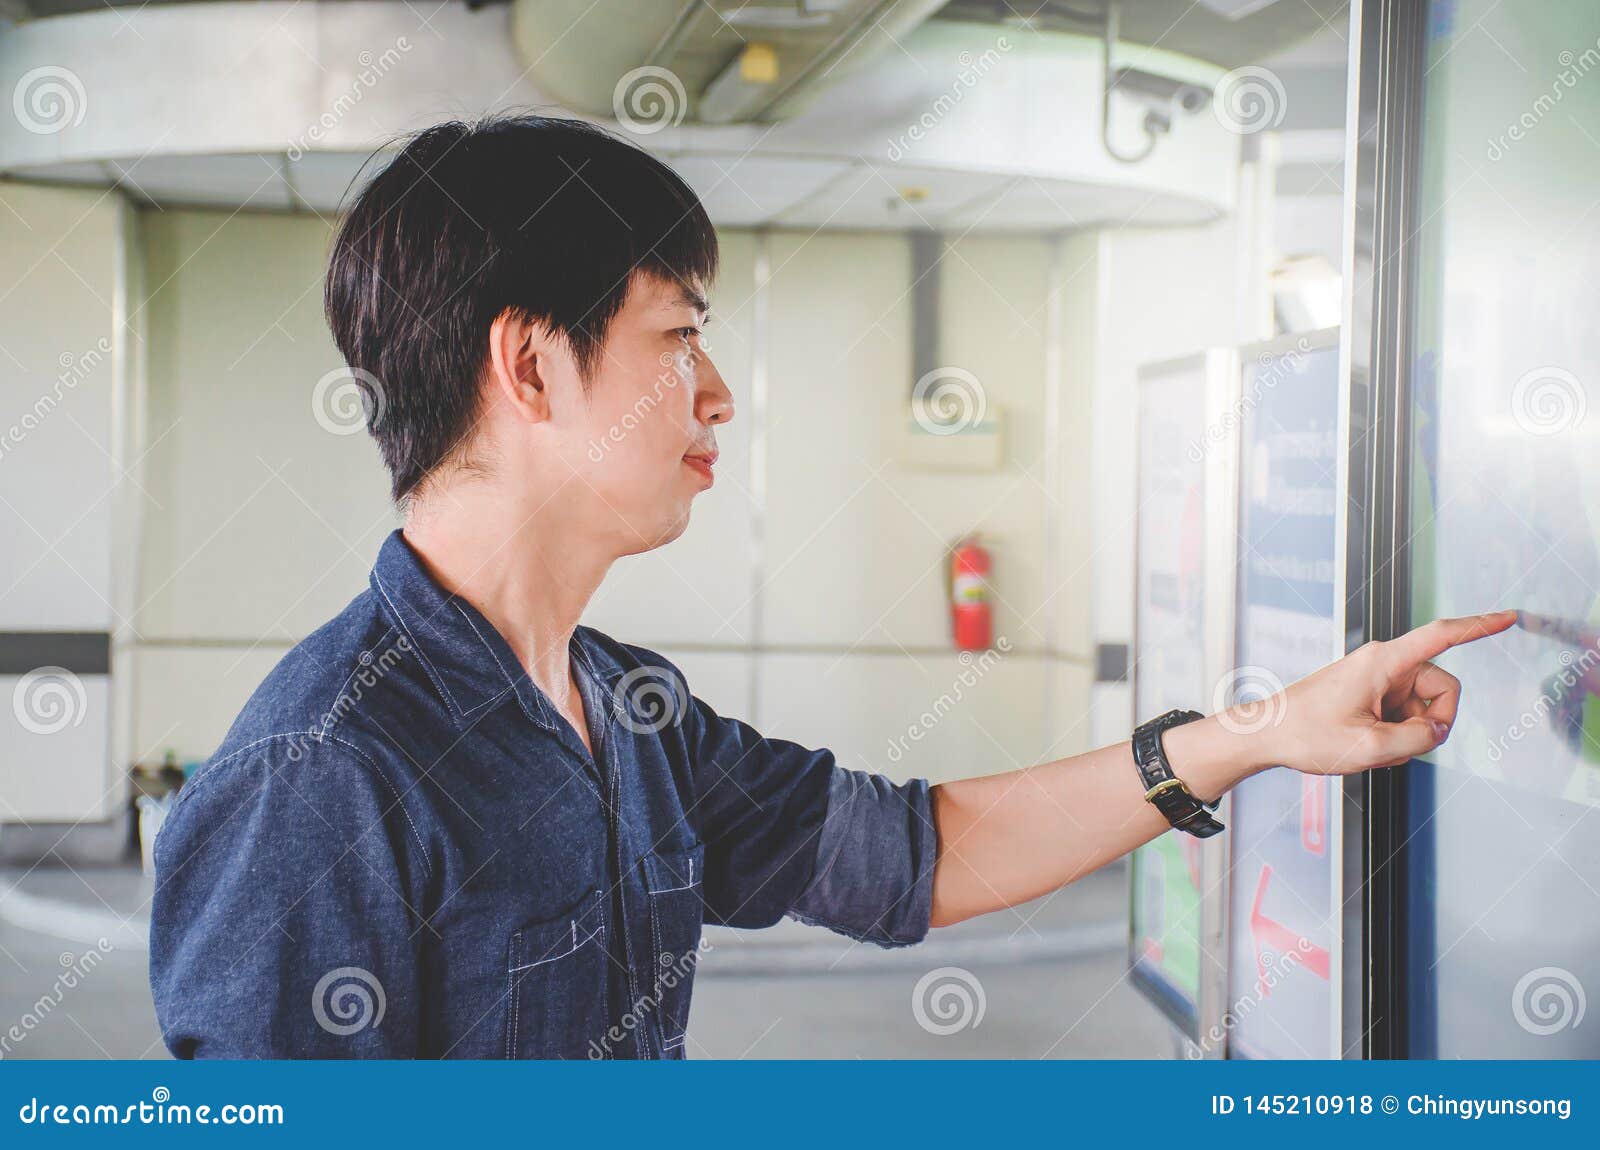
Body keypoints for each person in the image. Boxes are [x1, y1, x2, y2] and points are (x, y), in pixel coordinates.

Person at [148, 115, 1513, 1059]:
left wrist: (1264, 733)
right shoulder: (321, 772)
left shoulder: (623, 704)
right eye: (677, 335)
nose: (720, 392)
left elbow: (922, 852)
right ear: (528, 366)